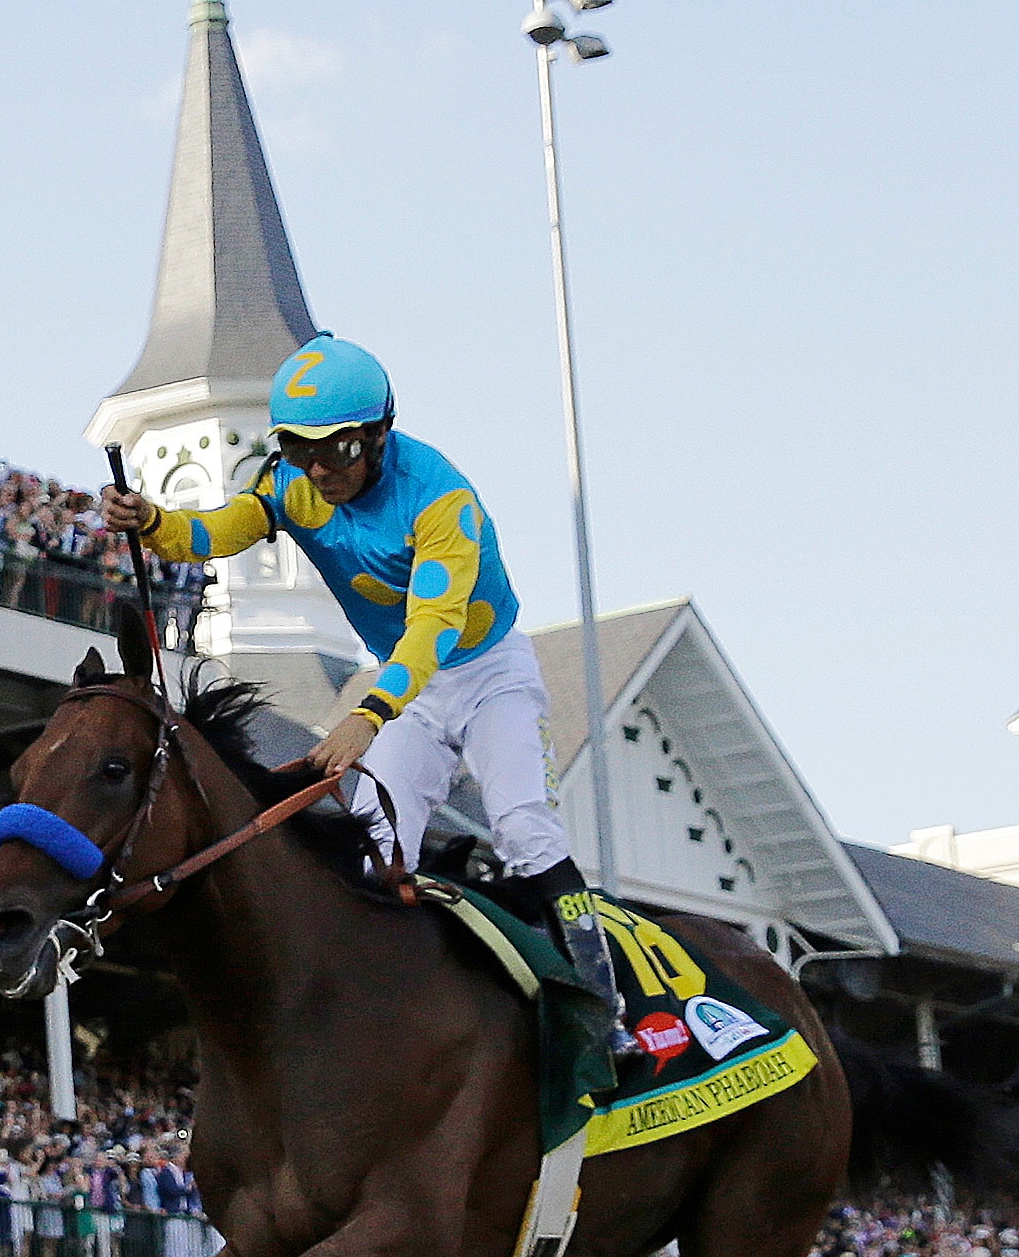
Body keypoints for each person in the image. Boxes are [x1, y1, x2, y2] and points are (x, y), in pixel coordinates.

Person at [103, 332, 634, 1063]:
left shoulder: (440, 499)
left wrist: (366, 715)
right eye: (299, 450)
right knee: (376, 842)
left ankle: (607, 1010)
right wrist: (154, 521)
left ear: (380, 434)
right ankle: (381, 1010)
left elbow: (432, 630)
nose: (320, 471)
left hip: (483, 672)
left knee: (521, 827)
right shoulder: (291, 481)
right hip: (406, 683)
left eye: (340, 450)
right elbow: (222, 527)